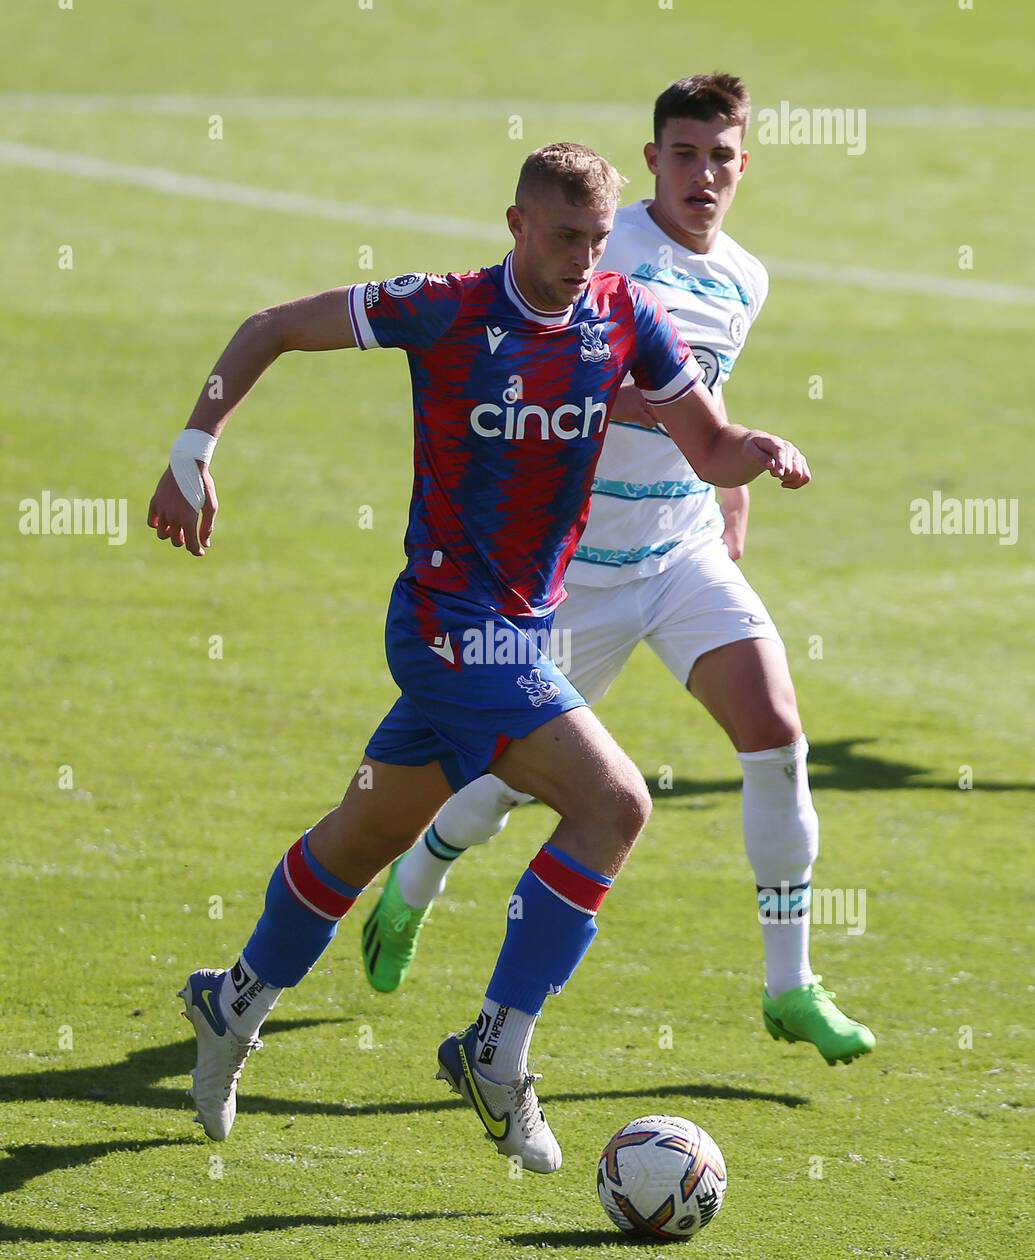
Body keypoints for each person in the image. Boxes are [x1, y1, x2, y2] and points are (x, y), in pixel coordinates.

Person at [147, 141, 810, 1174]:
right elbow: (273, 326)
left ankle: (229, 1002)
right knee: (615, 802)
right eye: (562, 238)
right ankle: (496, 1052)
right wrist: (194, 450)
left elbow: (707, 443)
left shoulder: (624, 313)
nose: (583, 258)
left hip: (523, 628)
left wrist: (753, 453)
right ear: (514, 224)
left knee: (359, 839)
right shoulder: (447, 309)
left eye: (597, 238)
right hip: (451, 625)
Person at [361, 78, 873, 1068]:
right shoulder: (604, 249)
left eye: (721, 157)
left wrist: (729, 479)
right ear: (652, 160)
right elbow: (575, 375)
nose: (703, 175)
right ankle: (415, 878)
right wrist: (677, 423)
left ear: (743, 164)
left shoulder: (747, 278)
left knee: (774, 731)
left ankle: (791, 983)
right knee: (506, 789)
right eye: (684, 154)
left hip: (677, 553)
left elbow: (700, 389)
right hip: (568, 579)